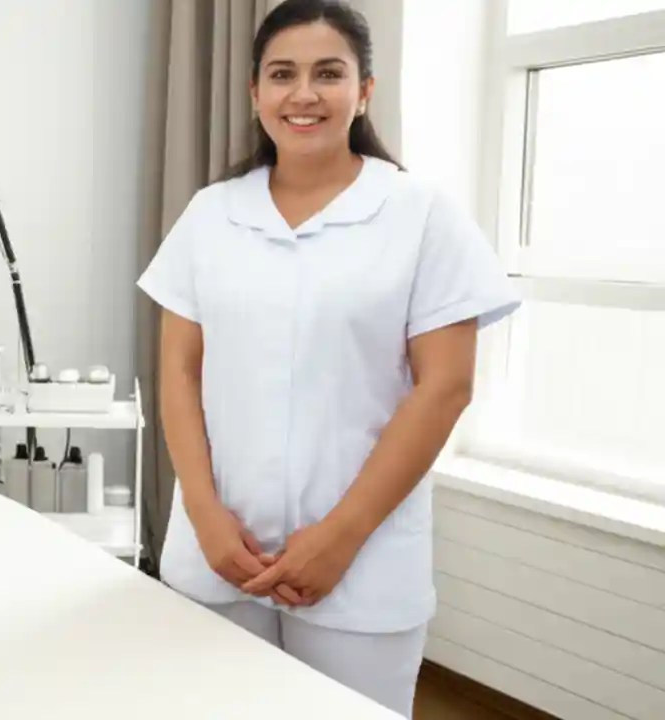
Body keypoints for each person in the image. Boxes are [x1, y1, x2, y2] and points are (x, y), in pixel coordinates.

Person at [136, 0, 520, 716]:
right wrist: (206, 516)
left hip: (363, 563)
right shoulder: (210, 215)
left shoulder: (422, 215)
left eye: (328, 73)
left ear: (364, 90)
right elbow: (179, 376)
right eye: (282, 74)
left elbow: (445, 388)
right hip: (219, 550)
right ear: (255, 92)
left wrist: (340, 538)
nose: (303, 93)